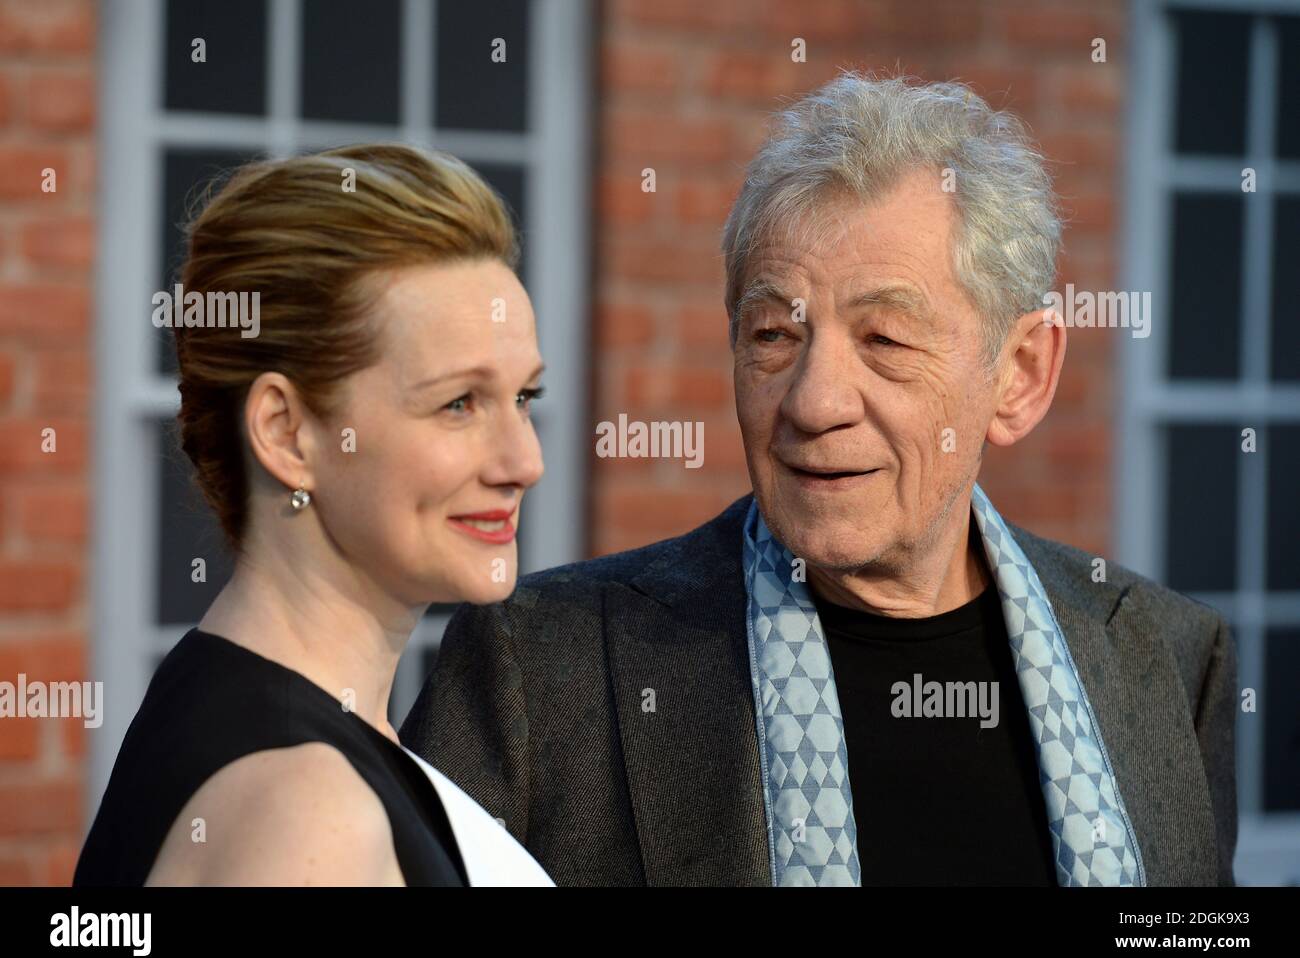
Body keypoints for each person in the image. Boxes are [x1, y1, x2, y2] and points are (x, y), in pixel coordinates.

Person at [401, 74, 1238, 887]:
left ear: (1020, 374)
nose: (814, 401)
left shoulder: (1166, 661)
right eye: (772, 334)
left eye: (885, 340)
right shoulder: (543, 670)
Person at [75, 144, 553, 886]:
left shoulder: (250, 721)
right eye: (458, 403)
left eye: (524, 398)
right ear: (285, 433)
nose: (523, 462)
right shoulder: (308, 814)